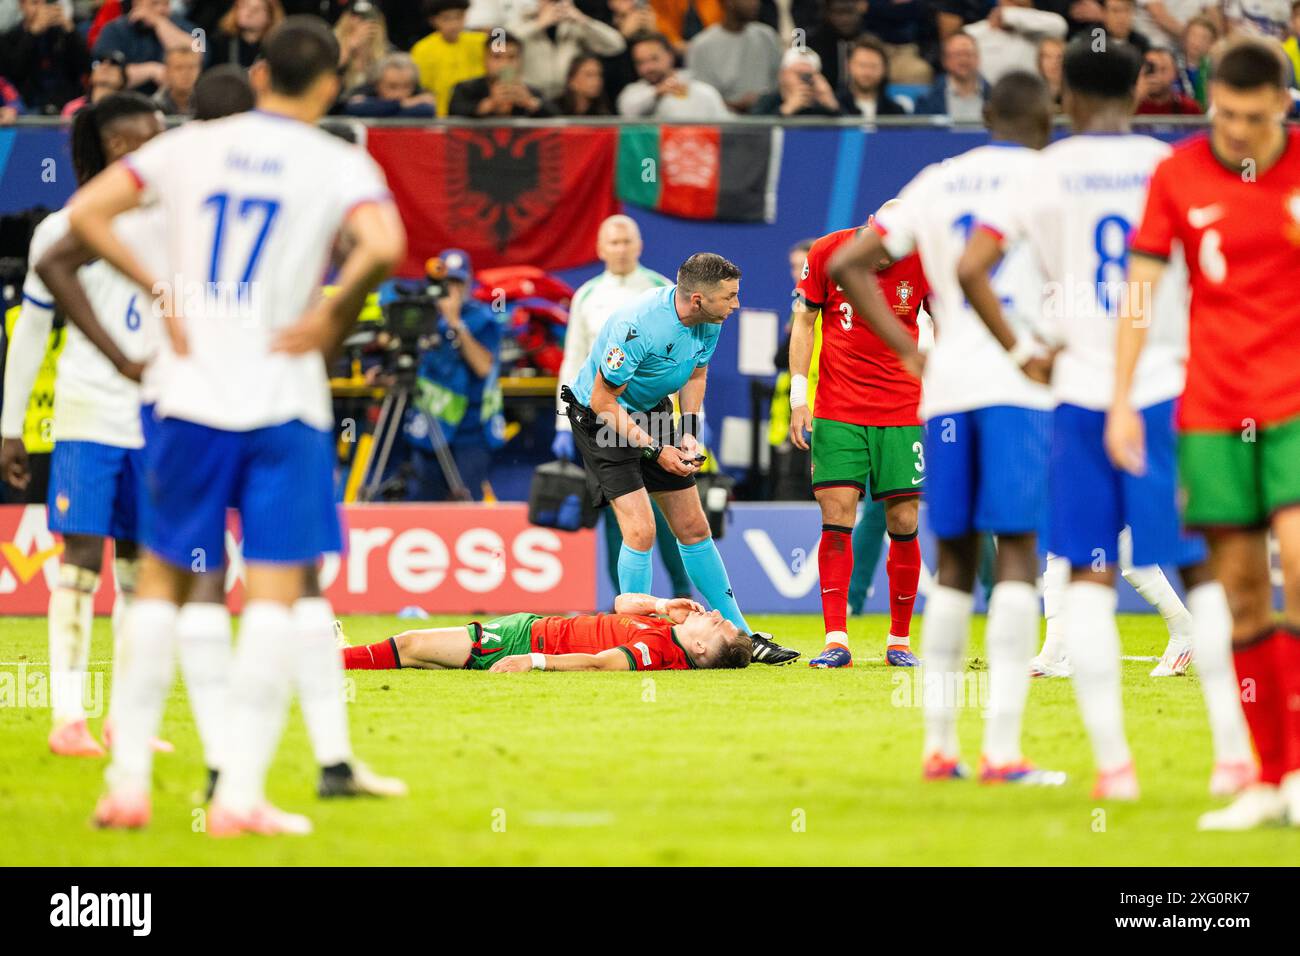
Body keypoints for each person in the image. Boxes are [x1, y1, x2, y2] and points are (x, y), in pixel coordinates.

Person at [67, 15, 407, 835]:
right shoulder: (339, 160)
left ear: (257, 76)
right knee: (276, 593)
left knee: (159, 583)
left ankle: (126, 784)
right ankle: (237, 798)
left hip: (186, 396)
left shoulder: (189, 147)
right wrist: (331, 321)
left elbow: (87, 214)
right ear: (331, 85)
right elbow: (386, 245)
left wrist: (158, 289)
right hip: (283, 399)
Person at [962, 40, 1254, 802]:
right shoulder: (1177, 166)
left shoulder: (1043, 172)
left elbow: (973, 270)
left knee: (1086, 573)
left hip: (1081, 393)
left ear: (1065, 95)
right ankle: (1232, 755)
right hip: (1171, 389)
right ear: (1141, 88)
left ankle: (1114, 767)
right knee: (1203, 569)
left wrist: (1027, 351)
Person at [828, 73, 1068, 784]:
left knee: (956, 561)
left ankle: (939, 748)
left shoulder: (935, 179)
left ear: (986, 114)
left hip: (943, 392)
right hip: (1017, 389)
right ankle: (1002, 751)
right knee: (1018, 552)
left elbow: (846, 264)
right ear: (1048, 116)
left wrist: (909, 349)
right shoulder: (1048, 179)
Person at [1110, 38, 1300, 828]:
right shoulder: (1176, 172)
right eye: (1224, 114)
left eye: (1253, 119)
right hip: (1214, 407)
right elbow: (1142, 291)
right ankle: (1270, 776)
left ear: (1284, 108)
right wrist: (1120, 398)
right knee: (1241, 596)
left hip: (1294, 403)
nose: (1236, 132)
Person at [1, 93, 164, 761]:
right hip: (87, 415)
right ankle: (68, 715)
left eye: (157, 137)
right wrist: (11, 429)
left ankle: (127, 721)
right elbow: (30, 337)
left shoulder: (172, 223)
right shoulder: (63, 228)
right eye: (137, 142)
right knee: (80, 559)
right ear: (109, 150)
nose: (152, 151)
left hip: (154, 419)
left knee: (137, 568)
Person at [561, 253, 798, 664]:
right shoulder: (636, 328)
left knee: (692, 524)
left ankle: (741, 632)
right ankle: (637, 635)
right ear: (696, 300)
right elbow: (603, 400)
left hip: (653, 410)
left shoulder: (710, 320)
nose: (736, 305)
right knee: (640, 529)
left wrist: (688, 432)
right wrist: (654, 448)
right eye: (730, 297)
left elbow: (696, 375)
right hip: (602, 417)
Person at [789, 212, 928, 670]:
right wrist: (797, 397)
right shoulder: (829, 251)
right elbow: (805, 322)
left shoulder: (926, 258)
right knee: (836, 513)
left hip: (903, 407)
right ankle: (836, 639)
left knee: (904, 518)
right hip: (839, 407)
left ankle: (900, 641)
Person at [552, 215, 690, 599]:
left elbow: (685, 361)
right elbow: (574, 360)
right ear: (600, 248)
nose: (621, 248)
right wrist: (562, 423)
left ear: (639, 244)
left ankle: (683, 594)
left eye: (627, 241)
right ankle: (625, 602)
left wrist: (693, 420)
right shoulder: (586, 296)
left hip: (656, 411)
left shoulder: (663, 289)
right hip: (603, 414)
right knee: (620, 513)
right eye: (613, 242)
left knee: (668, 505)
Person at [339, 593, 753, 672]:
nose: (713, 611)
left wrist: (533, 661)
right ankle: (345, 652)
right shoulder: (668, 627)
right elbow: (622, 602)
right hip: (531, 624)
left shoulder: (654, 652)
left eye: (716, 623)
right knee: (413, 649)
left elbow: (597, 663)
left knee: (410, 646)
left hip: (523, 640)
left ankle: (330, 660)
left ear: (700, 647)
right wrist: (662, 605)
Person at [404, 249, 504, 501]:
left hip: (470, 431)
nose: (452, 290)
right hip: (429, 427)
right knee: (425, 508)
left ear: (469, 283)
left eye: (458, 283)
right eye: (446, 283)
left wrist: (455, 322)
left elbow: (483, 366)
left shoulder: (483, 318)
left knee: (466, 508)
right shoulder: (424, 316)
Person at [508, 0, 627, 102]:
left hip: (569, 102)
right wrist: (538, 24)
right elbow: (498, 44)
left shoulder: (575, 24)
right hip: (531, 98)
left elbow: (617, 45)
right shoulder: (523, 19)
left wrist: (582, 19)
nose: (555, 6)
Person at [685, 0, 781, 112]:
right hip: (724, 121)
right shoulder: (702, 45)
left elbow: (779, 83)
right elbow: (701, 99)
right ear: (729, 2)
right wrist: (737, 104)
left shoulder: (767, 36)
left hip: (770, 116)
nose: (755, 3)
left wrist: (765, 101)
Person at [0, 0, 91, 116]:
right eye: (35, 3)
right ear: (21, 5)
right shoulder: (9, 38)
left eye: (46, 3)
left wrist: (69, 30)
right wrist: (33, 33)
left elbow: (86, 67)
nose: (42, 9)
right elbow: (13, 73)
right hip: (26, 108)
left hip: (67, 107)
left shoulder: (64, 34)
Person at [92, 0, 198, 94]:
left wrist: (159, 22)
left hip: (174, 102)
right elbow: (107, 76)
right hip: (126, 101)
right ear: (136, 3)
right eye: (154, 3)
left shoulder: (180, 25)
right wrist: (151, 70)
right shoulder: (114, 30)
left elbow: (197, 54)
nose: (161, 9)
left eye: (166, 4)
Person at [617, 30, 729, 117]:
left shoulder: (701, 90)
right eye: (640, 62)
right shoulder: (633, 92)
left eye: (654, 59)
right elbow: (626, 111)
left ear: (670, 55)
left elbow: (725, 126)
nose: (647, 68)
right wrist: (657, 92)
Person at [447, 31, 556, 116]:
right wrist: (489, 104)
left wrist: (531, 103)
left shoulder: (532, 92)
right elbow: (454, 113)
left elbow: (558, 117)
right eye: (497, 57)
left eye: (511, 57)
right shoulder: (466, 89)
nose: (504, 64)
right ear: (484, 60)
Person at [409, 0, 487, 116]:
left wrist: (496, 28)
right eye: (446, 18)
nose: (454, 24)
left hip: (476, 115)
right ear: (433, 20)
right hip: (440, 117)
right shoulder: (422, 49)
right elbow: (421, 88)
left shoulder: (481, 41)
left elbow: (505, 38)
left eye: (459, 17)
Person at [964, 0, 1067, 84]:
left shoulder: (1037, 32)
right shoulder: (976, 32)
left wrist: (1010, 17)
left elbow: (1060, 26)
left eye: (1021, 7)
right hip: (989, 98)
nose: (1017, 10)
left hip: (1030, 98)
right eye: (1012, 3)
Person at [914, 31, 990, 118]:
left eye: (968, 54)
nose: (963, 60)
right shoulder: (926, 100)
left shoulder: (996, 98)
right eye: (958, 55)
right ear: (945, 60)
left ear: (978, 58)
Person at [340, 51, 438, 117]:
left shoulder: (419, 93)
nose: (399, 94)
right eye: (392, 86)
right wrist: (404, 104)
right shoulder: (366, 90)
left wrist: (381, 108)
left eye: (406, 86)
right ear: (377, 84)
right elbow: (354, 109)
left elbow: (427, 110)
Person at [837, 34, 908, 117]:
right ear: (848, 66)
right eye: (862, 65)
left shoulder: (896, 112)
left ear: (884, 69)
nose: (867, 72)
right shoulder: (836, 107)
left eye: (873, 66)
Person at [205, 0, 284, 71]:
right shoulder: (219, 42)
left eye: (256, 10)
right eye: (244, 6)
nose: (248, 13)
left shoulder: (274, 49)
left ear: (270, 17)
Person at [808, 0, 868, 93]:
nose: (845, 19)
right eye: (838, 12)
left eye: (850, 11)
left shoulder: (868, 42)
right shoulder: (812, 43)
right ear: (827, 13)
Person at [335, 0, 392, 93]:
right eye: (355, 16)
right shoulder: (329, 46)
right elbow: (322, 76)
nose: (360, 22)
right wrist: (350, 46)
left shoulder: (389, 52)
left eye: (367, 17)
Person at [60, 50, 128, 117]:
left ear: (123, 77)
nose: (105, 67)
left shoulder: (129, 109)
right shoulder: (73, 108)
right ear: (91, 76)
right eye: (99, 63)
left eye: (113, 64)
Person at [1135, 44, 1203, 110]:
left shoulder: (1188, 107)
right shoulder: (1133, 106)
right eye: (1150, 69)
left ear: (1175, 72)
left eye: (1163, 69)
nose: (1156, 75)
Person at [152, 45, 201, 115]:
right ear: (167, 71)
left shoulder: (208, 102)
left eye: (191, 67)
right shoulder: (153, 107)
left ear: (199, 70)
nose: (186, 73)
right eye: (179, 68)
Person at [1037, 34, 1064, 108]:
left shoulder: (1077, 93)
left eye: (1059, 57)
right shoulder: (1031, 94)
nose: (1054, 62)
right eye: (1047, 57)